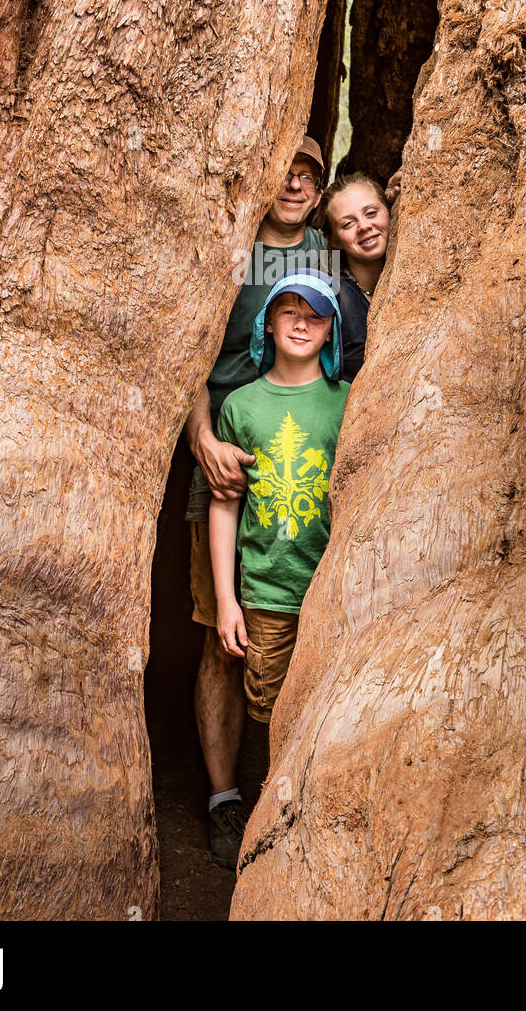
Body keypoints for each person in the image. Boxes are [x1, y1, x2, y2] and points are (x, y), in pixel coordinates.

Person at [182, 136, 330, 868]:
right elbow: (177, 353)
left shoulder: (327, 258)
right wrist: (202, 437)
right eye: (285, 171)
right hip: (222, 453)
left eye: (310, 174)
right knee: (220, 629)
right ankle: (221, 799)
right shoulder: (227, 248)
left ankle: (288, 795)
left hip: (302, 465)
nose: (295, 184)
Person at [209, 273, 349, 746]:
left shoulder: (350, 400)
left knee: (330, 712)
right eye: (289, 311)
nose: (302, 323)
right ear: (268, 322)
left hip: (335, 593)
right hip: (268, 594)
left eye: (315, 316)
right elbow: (225, 506)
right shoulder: (240, 405)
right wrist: (227, 601)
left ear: (332, 330)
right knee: (269, 717)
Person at [319, 172, 391, 380]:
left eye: (371, 213)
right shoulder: (333, 299)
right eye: (347, 224)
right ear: (334, 240)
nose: (364, 226)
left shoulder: (421, 278)